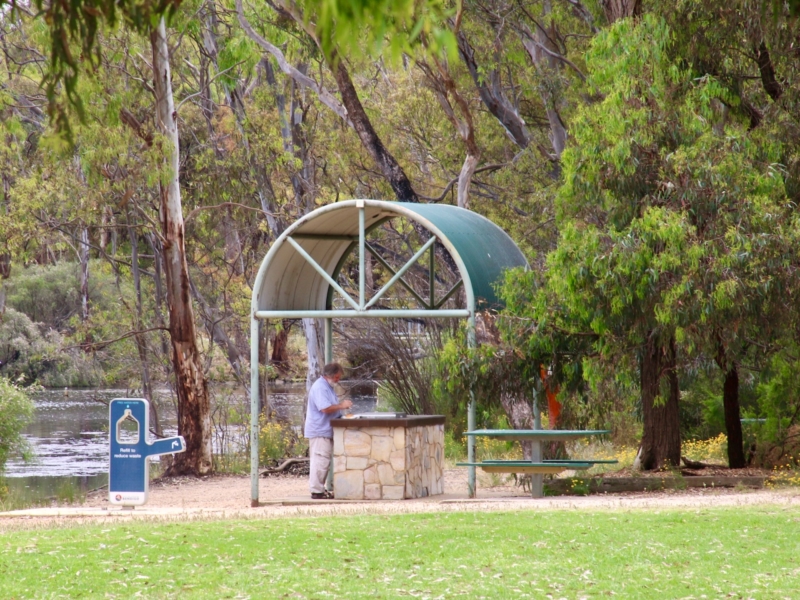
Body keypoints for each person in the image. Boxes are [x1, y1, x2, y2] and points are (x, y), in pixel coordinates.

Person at [304, 362, 352, 499]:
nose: (338, 380)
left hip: (326, 429)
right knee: (320, 460)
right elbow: (324, 408)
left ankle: (320, 489)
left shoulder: (328, 387)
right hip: (319, 430)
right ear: (329, 375)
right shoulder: (320, 387)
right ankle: (316, 491)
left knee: (324, 460)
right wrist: (341, 406)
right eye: (337, 377)